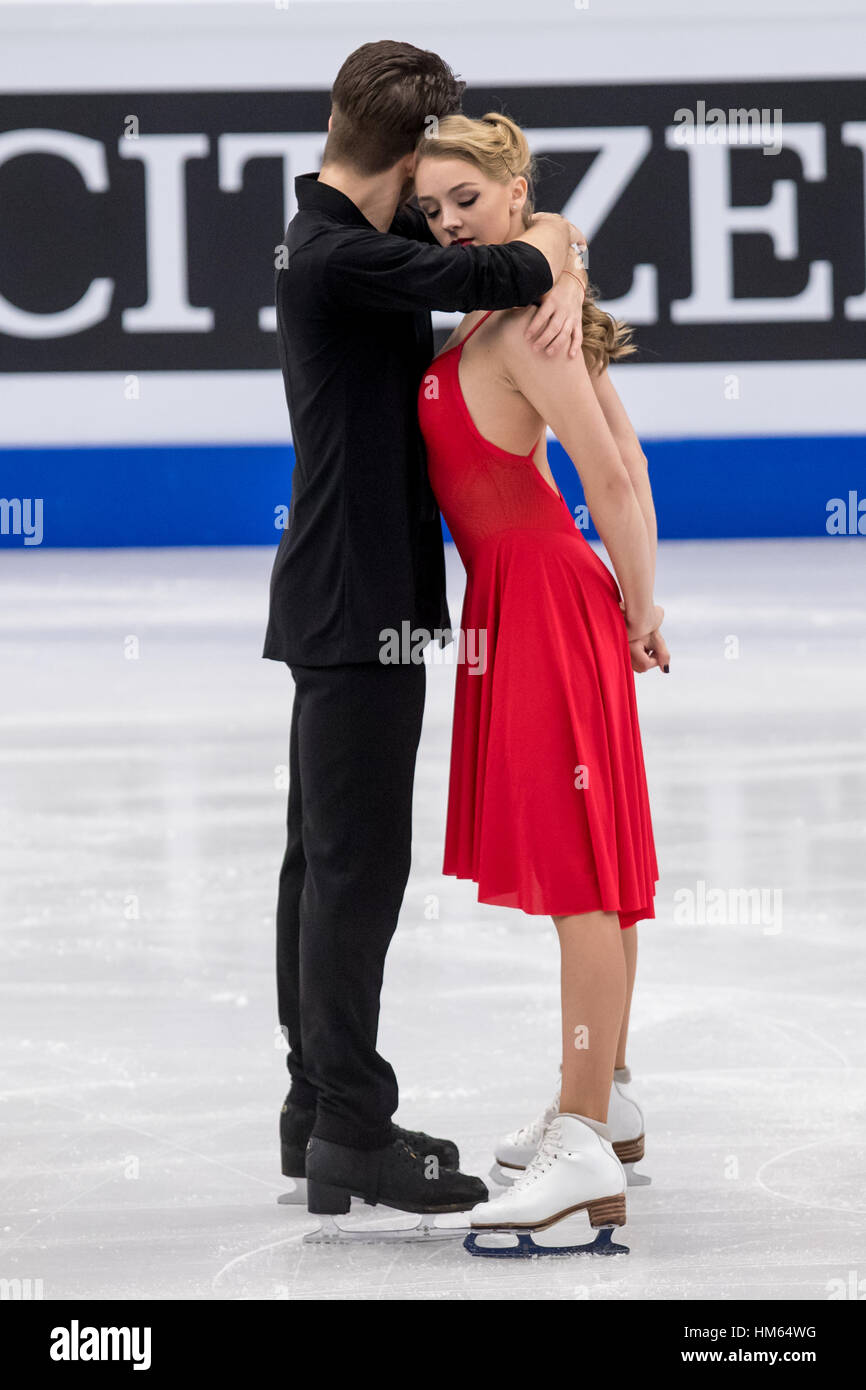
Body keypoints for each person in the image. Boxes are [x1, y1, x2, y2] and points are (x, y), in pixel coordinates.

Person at [262, 41, 587, 1224]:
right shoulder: (347, 255)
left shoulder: (332, 233)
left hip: (338, 595)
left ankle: (315, 1110)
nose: (429, 202)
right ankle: (348, 1123)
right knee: (352, 869)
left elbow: (480, 263)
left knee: (320, 862)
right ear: (401, 158)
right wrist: (557, 240)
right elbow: (503, 266)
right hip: (358, 604)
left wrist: (539, 252)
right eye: (426, 173)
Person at [414, 111, 669, 1250]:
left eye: (465, 199)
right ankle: (602, 1099)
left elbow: (613, 468)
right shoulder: (506, 300)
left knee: (581, 874)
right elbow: (625, 448)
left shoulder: (523, 325)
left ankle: (578, 1133)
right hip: (516, 606)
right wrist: (558, 244)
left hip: (545, 602)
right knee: (589, 863)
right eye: (429, 209)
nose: (447, 222)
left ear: (514, 194)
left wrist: (638, 601)